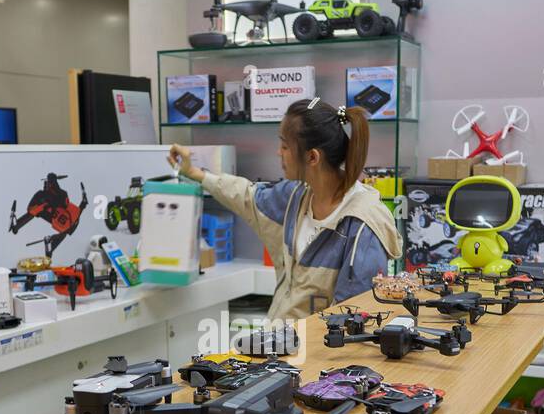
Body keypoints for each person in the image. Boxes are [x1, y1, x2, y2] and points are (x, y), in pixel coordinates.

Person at [168, 97, 401, 322]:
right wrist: (195, 173)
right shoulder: (294, 196)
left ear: (312, 157)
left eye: (285, 146)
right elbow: (246, 196)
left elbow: (351, 320)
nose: (278, 153)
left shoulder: (362, 226)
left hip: (316, 356)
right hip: (278, 344)